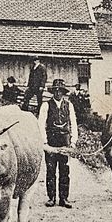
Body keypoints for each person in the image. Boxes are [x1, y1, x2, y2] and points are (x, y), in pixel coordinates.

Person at [38, 78, 77, 208]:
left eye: (60, 91)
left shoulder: (69, 105)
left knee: (65, 170)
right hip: (51, 141)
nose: (58, 93)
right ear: (53, 92)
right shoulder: (46, 105)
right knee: (51, 170)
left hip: (64, 141)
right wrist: (44, 143)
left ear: (63, 92)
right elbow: (41, 124)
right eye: (56, 90)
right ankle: (52, 198)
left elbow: (73, 124)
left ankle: (64, 198)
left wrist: (73, 142)